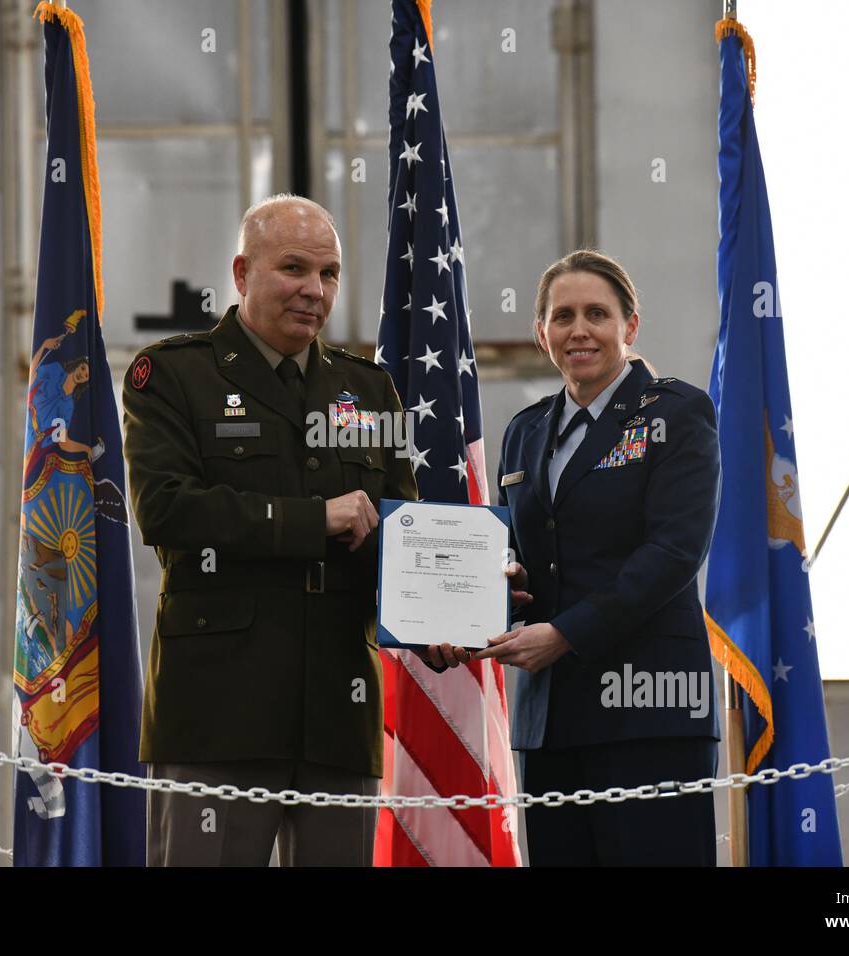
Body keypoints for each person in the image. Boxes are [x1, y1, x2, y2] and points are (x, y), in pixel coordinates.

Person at [120, 194, 419, 866]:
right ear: (242, 271)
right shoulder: (172, 375)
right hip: (217, 714)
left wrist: (449, 617)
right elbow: (167, 508)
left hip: (338, 718)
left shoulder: (369, 392)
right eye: (293, 268)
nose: (315, 290)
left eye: (330, 274)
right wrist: (317, 519)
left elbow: (400, 535)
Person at [477, 249, 722, 866]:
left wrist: (563, 634)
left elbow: (673, 552)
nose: (578, 330)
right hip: (551, 720)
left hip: (648, 710)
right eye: (562, 316)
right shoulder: (525, 431)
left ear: (629, 326)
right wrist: (501, 584)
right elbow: (524, 550)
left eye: (596, 313)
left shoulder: (677, 413)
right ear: (542, 333)